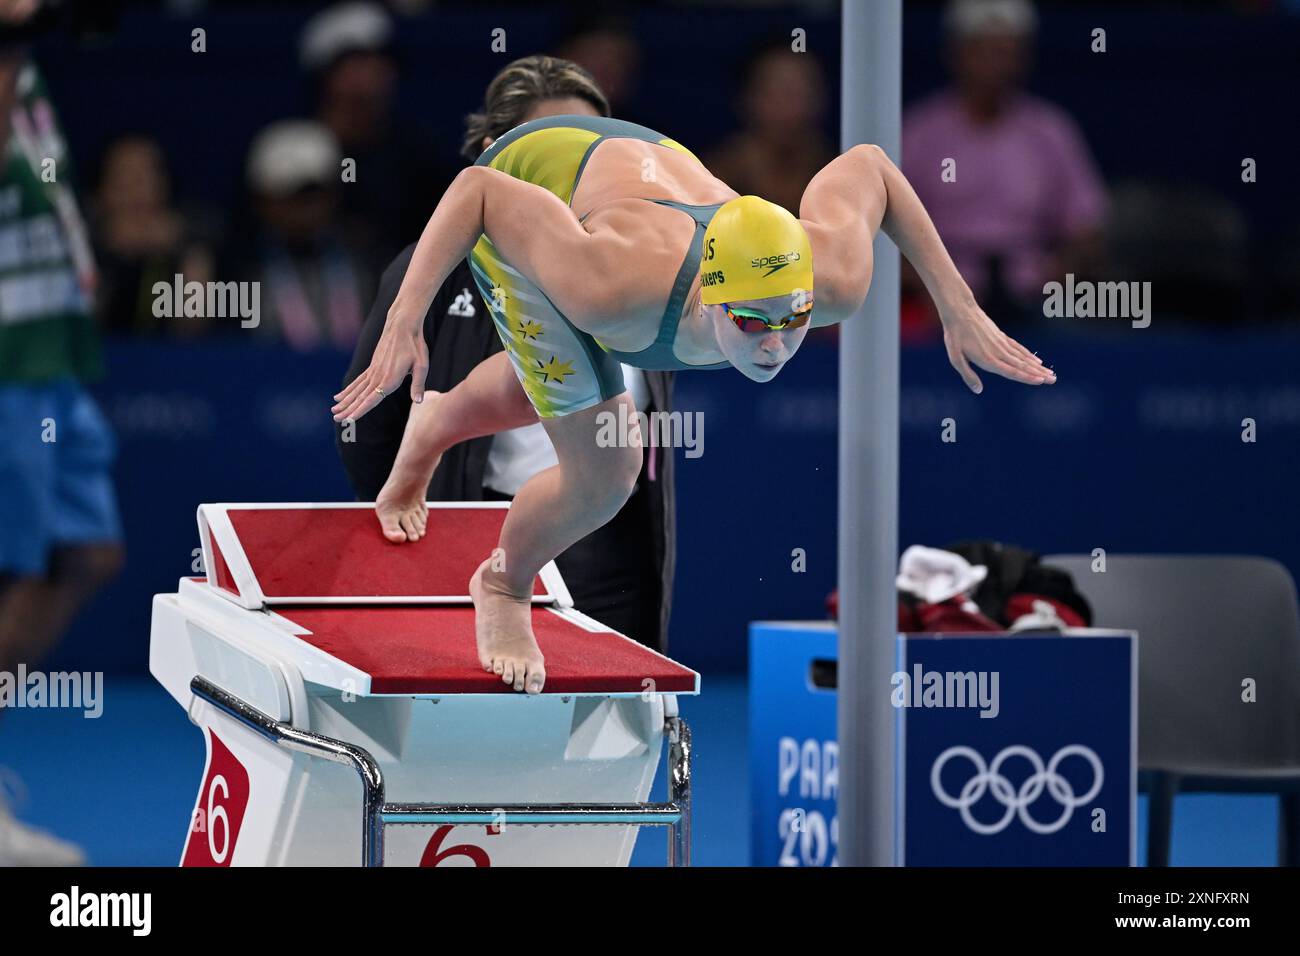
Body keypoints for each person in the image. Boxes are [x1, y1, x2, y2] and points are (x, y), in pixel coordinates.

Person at [334, 105, 1055, 696]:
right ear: (710, 296)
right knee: (605, 472)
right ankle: (503, 584)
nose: (775, 345)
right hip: (527, 182)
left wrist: (957, 304)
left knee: (569, 382)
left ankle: (435, 424)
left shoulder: (832, 277)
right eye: (752, 322)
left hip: (648, 166)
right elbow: (476, 194)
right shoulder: (608, 279)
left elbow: (868, 166)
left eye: (791, 320)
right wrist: (405, 316)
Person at [339, 55, 676, 652]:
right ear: (498, 152)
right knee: (487, 738)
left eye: (594, 150)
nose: (578, 170)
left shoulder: (640, 257)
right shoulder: (433, 270)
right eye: (555, 150)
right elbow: (369, 430)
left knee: (611, 735)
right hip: (482, 537)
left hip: (611, 548)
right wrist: (422, 536)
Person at [0, 37, 121, 864]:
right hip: (5, 358)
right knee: (11, 569)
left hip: (52, 348)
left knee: (88, 553)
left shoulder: (28, 63)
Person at [902, 0, 1107, 323]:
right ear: (956, 52)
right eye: (981, 51)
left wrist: (1059, 273)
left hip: (1033, 298)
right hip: (938, 296)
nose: (994, 64)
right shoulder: (919, 132)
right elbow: (881, 228)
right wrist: (921, 283)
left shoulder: (1051, 130)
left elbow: (1086, 228)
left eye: (1005, 52)